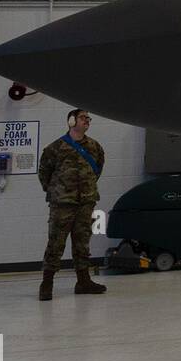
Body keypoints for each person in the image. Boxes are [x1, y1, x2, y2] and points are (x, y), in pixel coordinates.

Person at [37, 109, 107, 300]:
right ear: (71, 121)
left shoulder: (95, 147)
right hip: (62, 203)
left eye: (88, 119)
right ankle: (47, 283)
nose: (87, 121)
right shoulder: (55, 148)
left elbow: (97, 170)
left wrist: (86, 189)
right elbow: (44, 173)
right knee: (56, 243)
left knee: (82, 242)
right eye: (83, 118)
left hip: (86, 201)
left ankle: (83, 281)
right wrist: (57, 192)